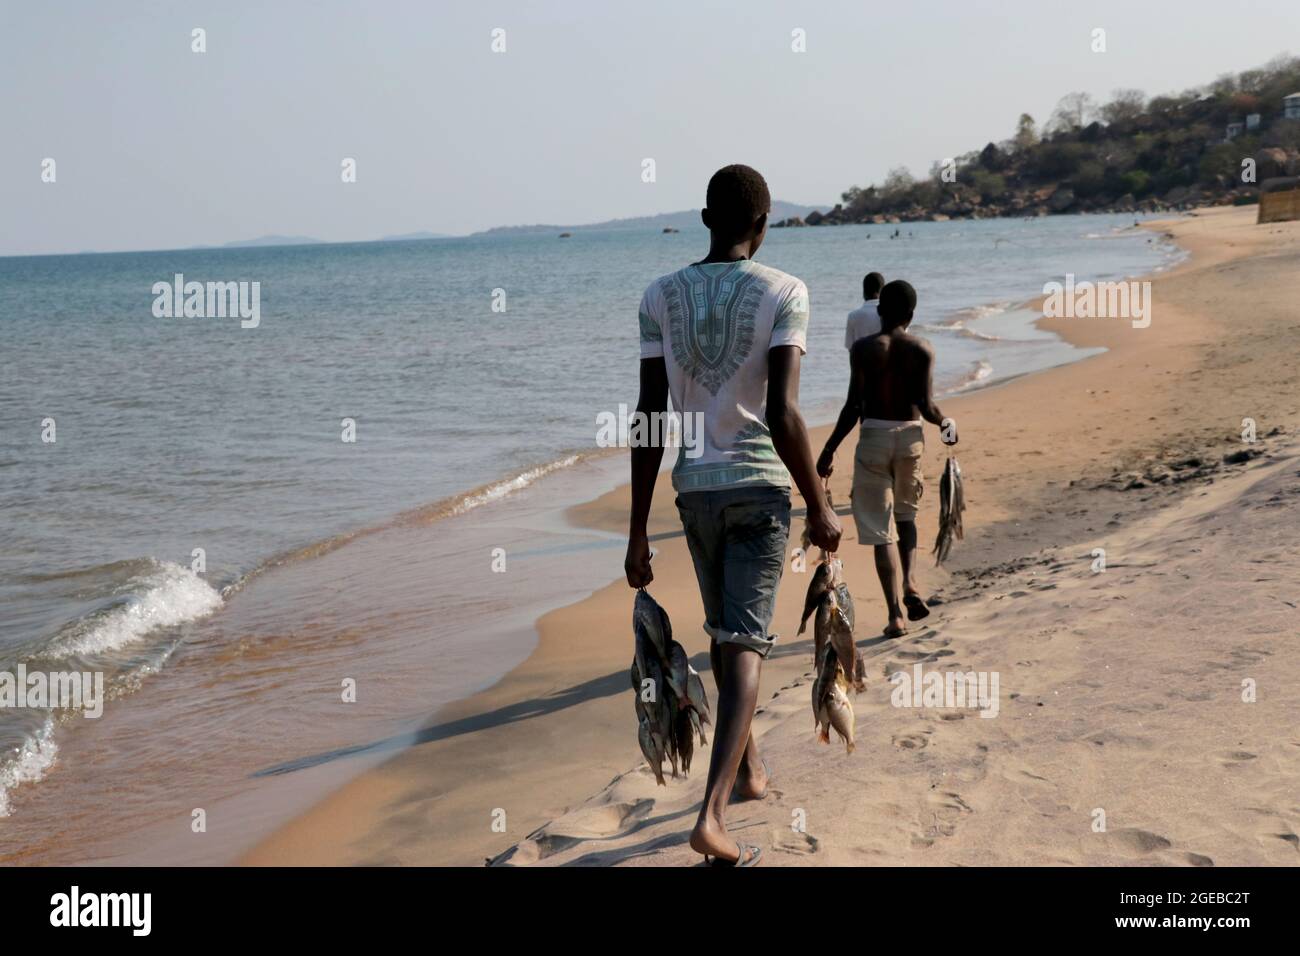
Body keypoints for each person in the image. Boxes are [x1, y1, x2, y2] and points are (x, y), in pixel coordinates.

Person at [625, 164, 841, 867]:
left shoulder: (658, 296)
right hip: (759, 489)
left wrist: (635, 532)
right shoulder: (786, 291)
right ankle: (711, 817)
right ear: (764, 221)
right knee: (745, 645)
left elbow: (649, 418)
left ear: (704, 218)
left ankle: (747, 772)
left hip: (695, 491)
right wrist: (819, 503)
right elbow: (782, 412)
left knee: (723, 638)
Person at [816, 279, 956, 637]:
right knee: (907, 518)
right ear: (912, 314)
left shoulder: (863, 349)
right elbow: (927, 407)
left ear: (879, 309)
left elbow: (853, 407)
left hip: (874, 439)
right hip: (910, 439)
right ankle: (911, 582)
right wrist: (945, 424)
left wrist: (830, 448)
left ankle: (895, 615)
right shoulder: (922, 348)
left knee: (881, 532)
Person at [845, 271, 885, 349]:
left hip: (862, 359)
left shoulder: (853, 316)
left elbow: (850, 347)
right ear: (883, 291)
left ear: (864, 292)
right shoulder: (890, 314)